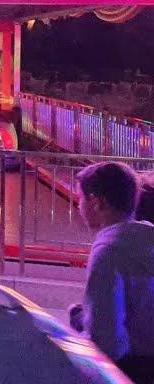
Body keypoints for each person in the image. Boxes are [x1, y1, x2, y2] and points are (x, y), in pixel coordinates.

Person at [70, 161, 154, 383]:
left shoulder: (108, 252)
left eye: (81, 198)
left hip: (135, 370)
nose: (79, 205)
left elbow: (107, 341)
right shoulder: (147, 238)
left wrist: (82, 324)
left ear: (98, 203)